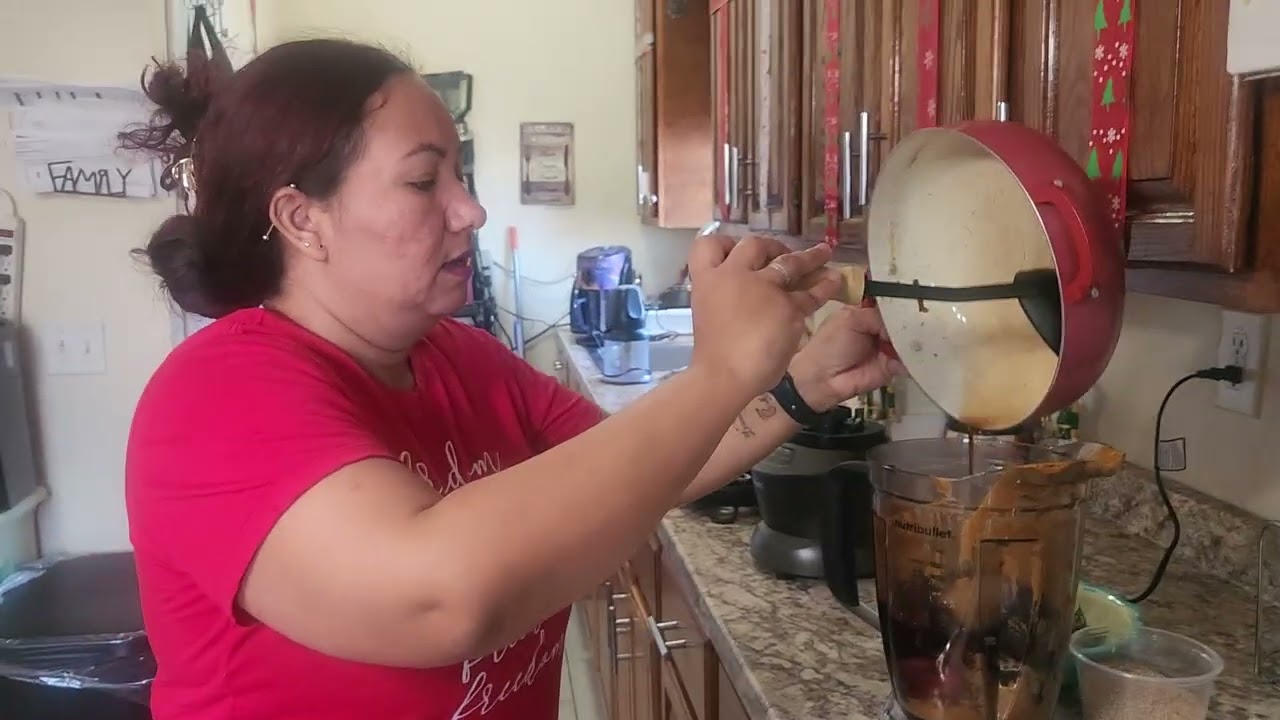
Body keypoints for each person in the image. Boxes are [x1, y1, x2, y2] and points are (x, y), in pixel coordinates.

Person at [121, 38, 901, 720]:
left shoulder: (459, 358)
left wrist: (801, 384)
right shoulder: (216, 396)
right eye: (426, 183)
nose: (471, 209)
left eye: (459, 173)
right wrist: (721, 366)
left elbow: (647, 468)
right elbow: (439, 602)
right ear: (301, 219)